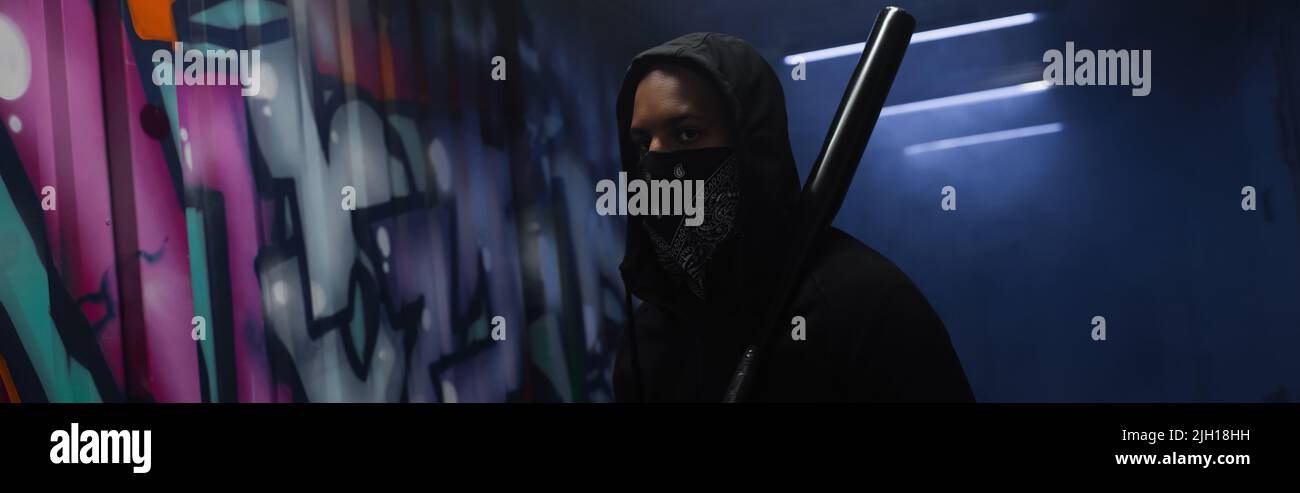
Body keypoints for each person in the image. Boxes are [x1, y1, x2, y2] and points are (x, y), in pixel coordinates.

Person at [612, 32, 974, 402]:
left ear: (749, 144)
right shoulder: (649, 337)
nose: (655, 164)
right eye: (643, 144)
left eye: (687, 134)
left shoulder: (865, 304)